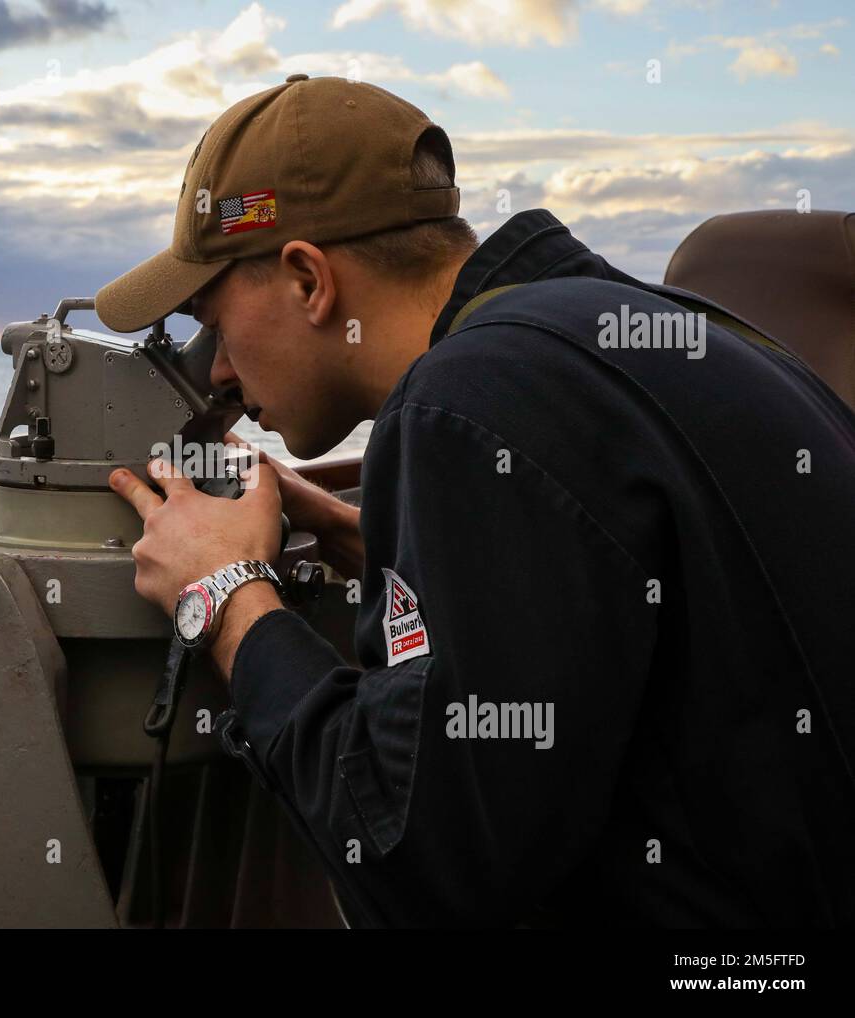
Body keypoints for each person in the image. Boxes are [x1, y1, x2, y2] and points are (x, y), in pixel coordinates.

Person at [98, 74, 855, 927]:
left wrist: (227, 596)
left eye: (212, 320)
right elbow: (594, 601)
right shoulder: (612, 335)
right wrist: (361, 531)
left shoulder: (468, 404)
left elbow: (427, 867)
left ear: (309, 279)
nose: (222, 372)